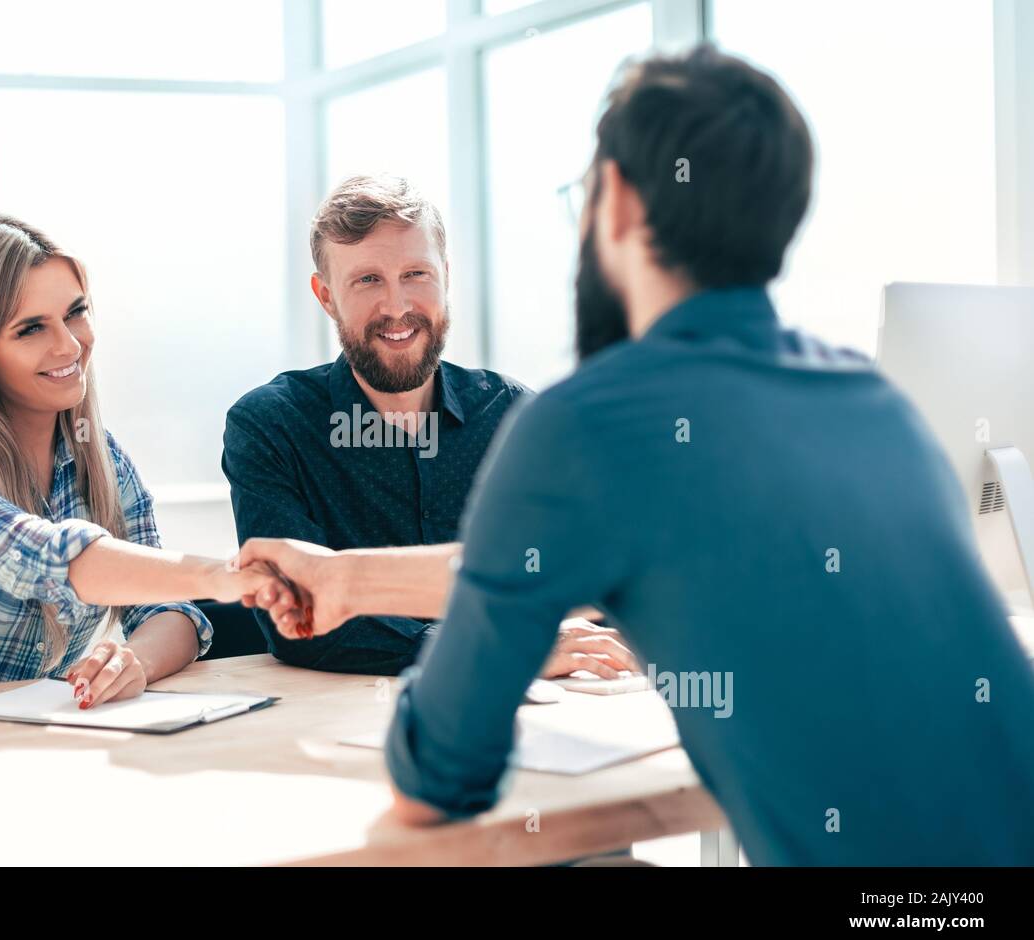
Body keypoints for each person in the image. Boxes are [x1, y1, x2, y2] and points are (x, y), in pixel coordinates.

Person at [239, 46, 1034, 865]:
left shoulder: (590, 423)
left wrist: (452, 634)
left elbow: (437, 772)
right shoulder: (878, 405)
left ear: (612, 202)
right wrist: (359, 583)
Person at [0, 215, 281, 705]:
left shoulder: (101, 457)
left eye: (75, 312)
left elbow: (167, 612)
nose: (69, 344)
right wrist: (217, 574)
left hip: (8, 740)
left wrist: (134, 661)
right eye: (30, 329)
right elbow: (44, 557)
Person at [223, 175, 635, 679]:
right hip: (345, 721)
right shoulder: (271, 425)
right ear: (326, 296)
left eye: (415, 273)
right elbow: (299, 620)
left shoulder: (514, 416)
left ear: (446, 275)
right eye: (367, 280)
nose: (397, 308)